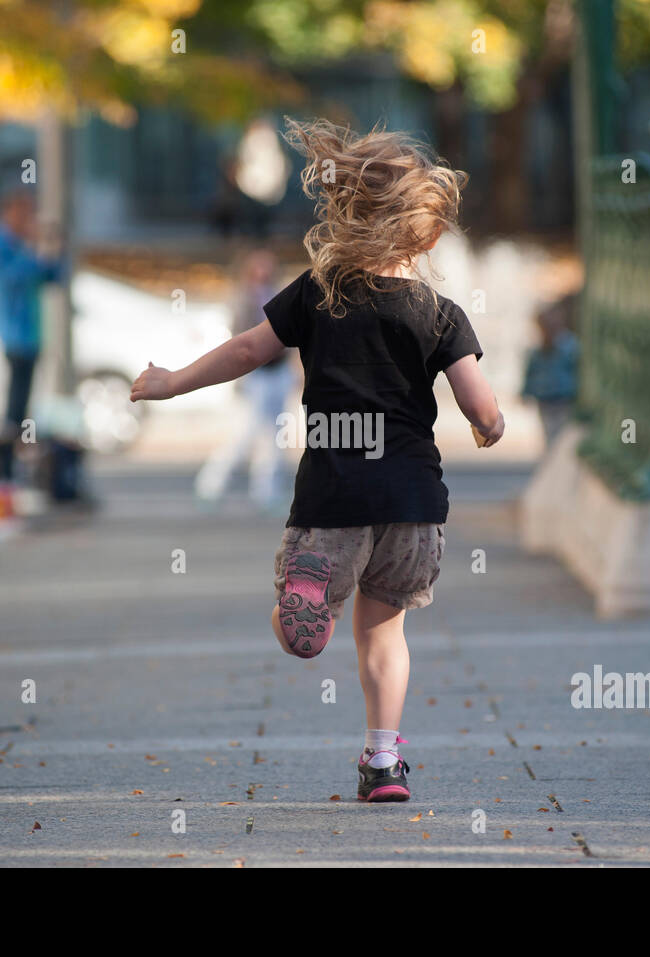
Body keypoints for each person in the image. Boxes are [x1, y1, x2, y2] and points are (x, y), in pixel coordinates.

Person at [132, 119, 504, 803]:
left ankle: (300, 599)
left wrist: (170, 381)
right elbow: (480, 407)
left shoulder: (319, 292)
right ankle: (383, 761)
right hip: (412, 504)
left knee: (300, 621)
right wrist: (492, 425)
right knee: (384, 635)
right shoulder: (441, 315)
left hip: (334, 494)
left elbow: (247, 352)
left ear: (346, 215)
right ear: (424, 233)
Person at [193, 248, 294, 510]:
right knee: (245, 434)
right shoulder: (243, 298)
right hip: (256, 374)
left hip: (278, 372)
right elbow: (241, 340)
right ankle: (211, 485)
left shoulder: (279, 293)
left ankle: (267, 492)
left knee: (275, 435)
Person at [0, 188, 64, 478]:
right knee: (14, 409)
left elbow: (54, 275)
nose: (29, 220)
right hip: (15, 335)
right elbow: (16, 276)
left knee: (23, 406)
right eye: (24, 213)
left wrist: (51, 246)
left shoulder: (19, 243)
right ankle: (3, 471)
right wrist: (33, 246)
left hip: (31, 335)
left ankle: (11, 468)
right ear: (9, 211)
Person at [521, 294, 579, 454]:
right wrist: (525, 391)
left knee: (560, 433)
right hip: (547, 398)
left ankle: (555, 454)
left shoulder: (568, 345)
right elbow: (530, 372)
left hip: (563, 397)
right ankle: (553, 454)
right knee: (551, 433)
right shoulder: (538, 349)